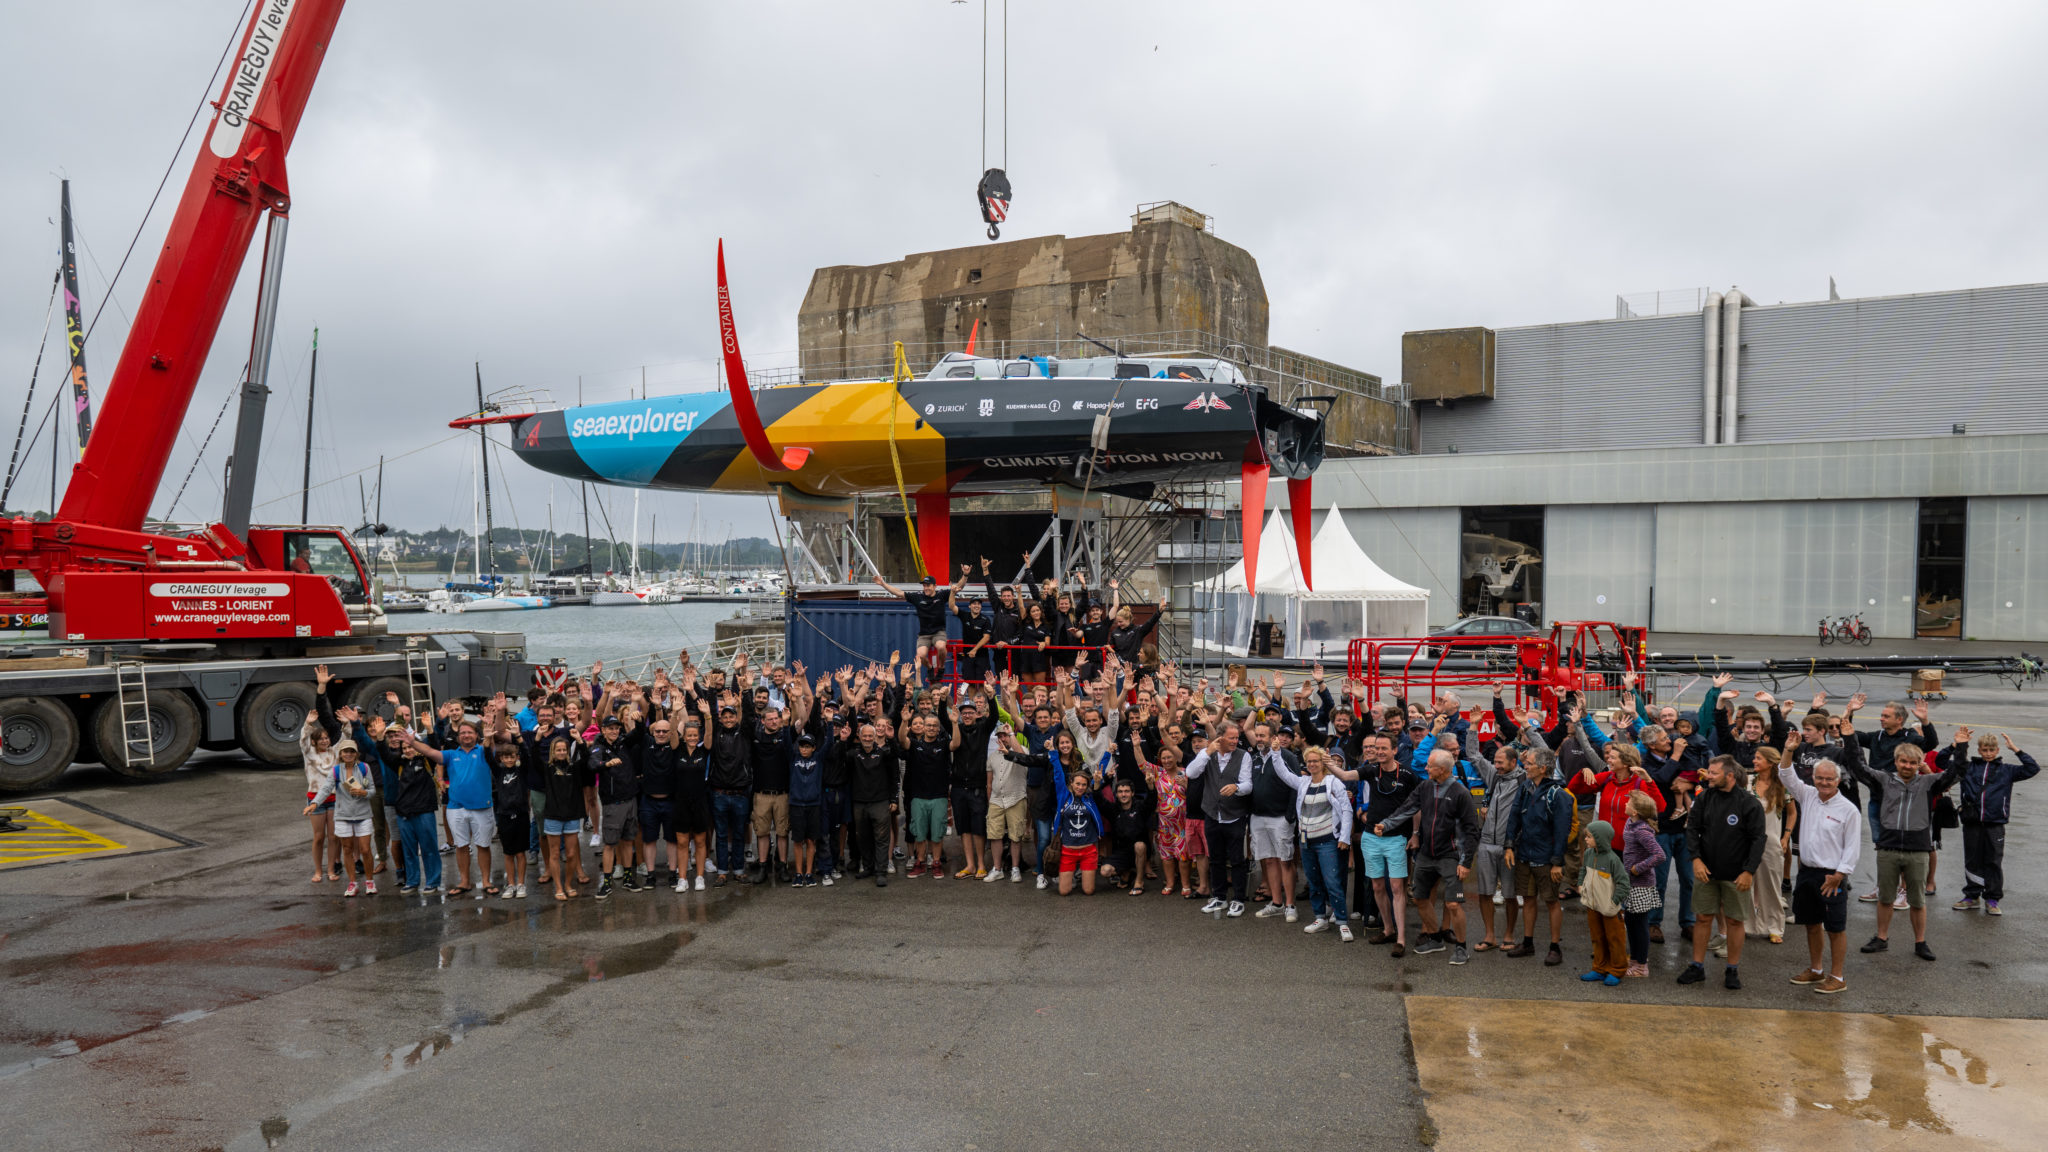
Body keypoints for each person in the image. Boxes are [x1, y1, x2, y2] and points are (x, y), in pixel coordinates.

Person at [1845, 732, 1963, 960]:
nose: (1907, 766)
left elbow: (1957, 773)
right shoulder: (1883, 780)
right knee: (1885, 898)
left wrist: (1962, 746)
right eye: (1903, 761)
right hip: (1888, 848)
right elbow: (1857, 767)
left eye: (1913, 762)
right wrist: (1850, 737)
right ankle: (1881, 938)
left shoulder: (1929, 783)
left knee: (1917, 900)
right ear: (1896, 761)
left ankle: (1920, 942)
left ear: (1920, 764)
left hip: (1918, 851)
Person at [1377, 749, 1481, 965]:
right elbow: (1407, 808)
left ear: (1441, 770)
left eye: (1429, 766)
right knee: (1420, 898)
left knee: (1453, 904)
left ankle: (1461, 948)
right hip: (1426, 853)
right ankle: (1435, 939)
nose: (1425, 769)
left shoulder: (1461, 793)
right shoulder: (1425, 786)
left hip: (1450, 856)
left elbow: (1472, 831)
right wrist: (1386, 824)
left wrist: (1466, 862)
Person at [1676, 754, 1765, 990]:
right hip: (1706, 872)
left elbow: (1758, 840)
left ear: (1730, 775)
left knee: (1735, 921)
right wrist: (1695, 859)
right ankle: (1697, 966)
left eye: (1714, 773)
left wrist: (1748, 872)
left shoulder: (1749, 803)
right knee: (1703, 918)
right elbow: (1692, 830)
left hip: (1736, 875)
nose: (1708, 776)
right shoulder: (1704, 798)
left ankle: (1732, 969)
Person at [1842, 695, 1939, 903]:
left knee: (1902, 845)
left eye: (1886, 716)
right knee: (1882, 845)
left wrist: (1924, 721)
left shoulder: (1910, 736)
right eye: (1882, 715)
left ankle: (1903, 891)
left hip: (1902, 801)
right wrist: (1850, 713)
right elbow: (1850, 735)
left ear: (1899, 720)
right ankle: (1884, 886)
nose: (1881, 719)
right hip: (1878, 799)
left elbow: (1931, 743)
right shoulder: (1877, 737)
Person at [1779, 752, 1859, 995]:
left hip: (1831, 877)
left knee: (1835, 927)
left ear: (1838, 780)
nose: (1824, 783)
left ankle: (1838, 976)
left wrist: (1840, 874)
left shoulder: (1849, 810)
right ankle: (1816, 970)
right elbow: (1786, 775)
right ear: (1814, 778)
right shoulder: (1808, 795)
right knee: (1811, 924)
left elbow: (1853, 847)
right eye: (1820, 778)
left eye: (1829, 779)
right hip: (1806, 873)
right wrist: (1788, 750)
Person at [1943, 729, 2038, 915]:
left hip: (1995, 822)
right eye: (1984, 750)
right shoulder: (1967, 768)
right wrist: (1955, 745)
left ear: (1997, 751)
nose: (1987, 753)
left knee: (1993, 860)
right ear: (1978, 750)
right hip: (1972, 821)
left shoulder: (2007, 770)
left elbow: (2032, 768)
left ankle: (1992, 899)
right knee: (1972, 859)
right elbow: (1940, 762)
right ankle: (1972, 896)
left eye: (1991, 750)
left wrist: (2016, 750)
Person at [1272, 745, 1356, 941]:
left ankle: (1342, 922)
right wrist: (1275, 753)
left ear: (1323, 763)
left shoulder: (1333, 782)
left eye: (1315, 761)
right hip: (1306, 842)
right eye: (1309, 761)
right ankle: (1320, 918)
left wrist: (1344, 837)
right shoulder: (1303, 782)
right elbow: (1283, 774)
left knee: (1333, 882)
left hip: (1328, 841)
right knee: (1314, 882)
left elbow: (1346, 810)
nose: (1312, 764)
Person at [409, 715, 495, 898]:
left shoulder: (484, 751)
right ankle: (464, 881)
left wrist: (490, 733)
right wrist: (413, 742)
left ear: (476, 735)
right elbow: (431, 753)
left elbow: (490, 744)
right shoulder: (451, 754)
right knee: (461, 846)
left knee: (483, 845)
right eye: (462, 733)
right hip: (456, 808)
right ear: (458, 737)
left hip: (482, 807)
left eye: (469, 732)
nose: (465, 735)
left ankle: (486, 881)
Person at [1504, 746, 1572, 966]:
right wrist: (1508, 845)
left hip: (1546, 858)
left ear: (1543, 768)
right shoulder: (1525, 788)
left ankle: (1555, 947)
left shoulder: (1558, 795)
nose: (1526, 766)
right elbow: (1514, 816)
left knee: (1552, 902)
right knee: (1528, 899)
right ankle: (1528, 942)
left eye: (1530, 764)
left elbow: (1562, 832)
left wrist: (1556, 863)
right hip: (1524, 854)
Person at [1358, 734, 1421, 956]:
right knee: (1377, 886)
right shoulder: (1370, 769)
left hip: (1397, 838)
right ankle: (1388, 930)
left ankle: (1401, 939)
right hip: (1371, 837)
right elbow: (1346, 774)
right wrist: (1327, 764)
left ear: (1395, 750)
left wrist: (1414, 834)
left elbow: (1416, 806)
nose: (1380, 751)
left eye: (1384, 748)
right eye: (1377, 748)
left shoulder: (1407, 774)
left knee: (1397, 887)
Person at [1184, 721, 1255, 918]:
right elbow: (1191, 773)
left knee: (1237, 860)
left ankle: (1239, 899)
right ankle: (1220, 897)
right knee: (1215, 859)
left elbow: (1248, 784)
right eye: (1231, 738)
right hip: (1212, 814)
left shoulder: (1244, 756)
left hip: (1234, 816)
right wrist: (1207, 753)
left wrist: (1237, 788)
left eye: (1236, 737)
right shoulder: (1207, 754)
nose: (1235, 741)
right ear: (1220, 738)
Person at [304, 738, 380, 896]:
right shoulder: (336, 771)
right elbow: (325, 789)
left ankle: (370, 881)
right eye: (346, 751)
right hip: (343, 815)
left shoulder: (364, 768)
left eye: (352, 751)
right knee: (347, 849)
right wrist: (314, 803)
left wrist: (364, 793)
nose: (349, 754)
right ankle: (353, 883)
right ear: (341, 754)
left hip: (363, 814)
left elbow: (372, 790)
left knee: (365, 849)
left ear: (356, 753)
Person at [1245, 722, 1302, 923]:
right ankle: (1276, 903)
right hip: (1258, 817)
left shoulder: (1287, 756)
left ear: (1273, 737)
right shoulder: (1253, 757)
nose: (1259, 739)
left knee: (1285, 860)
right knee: (1269, 860)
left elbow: (1297, 786)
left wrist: (1289, 816)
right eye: (1257, 735)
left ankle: (1290, 905)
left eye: (1263, 735)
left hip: (1281, 818)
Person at [589, 713, 641, 898]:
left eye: (616, 728)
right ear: (603, 729)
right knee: (610, 844)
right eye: (610, 728)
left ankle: (628, 878)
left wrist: (639, 719)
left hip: (630, 800)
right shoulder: (599, 746)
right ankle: (607, 882)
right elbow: (593, 764)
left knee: (628, 841)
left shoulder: (623, 742)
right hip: (613, 803)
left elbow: (640, 733)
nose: (614, 731)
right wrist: (606, 763)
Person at [1748, 747, 1795, 943]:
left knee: (1772, 886)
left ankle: (1774, 927)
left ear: (1770, 762)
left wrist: (1785, 837)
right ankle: (1747, 925)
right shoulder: (1747, 782)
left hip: (1772, 841)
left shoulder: (1781, 786)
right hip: (1747, 842)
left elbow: (1792, 813)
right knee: (1745, 885)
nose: (1754, 761)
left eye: (1758, 758)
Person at [535, 735, 591, 900]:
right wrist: (538, 739)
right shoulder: (548, 768)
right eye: (558, 749)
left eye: (563, 750)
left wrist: (580, 742)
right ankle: (558, 887)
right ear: (553, 751)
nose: (561, 752)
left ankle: (568, 884)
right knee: (554, 853)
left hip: (572, 815)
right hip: (553, 815)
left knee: (572, 853)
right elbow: (533, 757)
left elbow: (587, 759)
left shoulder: (574, 767)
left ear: (567, 751)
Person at [1577, 820, 1629, 986]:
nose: (1586, 839)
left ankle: (1617, 969)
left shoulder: (1613, 859)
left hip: (1609, 908)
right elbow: (1583, 870)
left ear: (1600, 839)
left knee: (1615, 938)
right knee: (1597, 937)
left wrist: (1614, 901)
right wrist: (1580, 885)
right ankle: (1599, 968)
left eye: (1590, 837)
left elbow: (1623, 883)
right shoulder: (1588, 854)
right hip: (1592, 905)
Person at [1619, 792, 1666, 978]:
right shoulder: (1629, 823)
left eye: (1629, 802)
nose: (1626, 802)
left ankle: (1642, 965)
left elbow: (1660, 855)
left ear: (1636, 811)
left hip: (1641, 884)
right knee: (1631, 921)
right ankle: (1634, 960)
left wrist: (1638, 868)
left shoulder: (1641, 831)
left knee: (1639, 924)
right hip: (1631, 883)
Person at [1051, 762, 1106, 895]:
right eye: (1077, 784)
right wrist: (1052, 752)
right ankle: (1072, 876)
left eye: (1084, 785)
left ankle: (1080, 874)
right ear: (1071, 783)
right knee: (1064, 891)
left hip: (1088, 850)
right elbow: (1058, 774)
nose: (1080, 787)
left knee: (1088, 891)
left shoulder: (1089, 798)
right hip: (1068, 851)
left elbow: (1099, 773)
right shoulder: (1064, 796)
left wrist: (1109, 752)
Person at [1149, 744, 1194, 898]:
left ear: (1176, 757)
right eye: (1164, 758)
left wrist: (1187, 786)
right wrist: (1135, 746)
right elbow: (1142, 763)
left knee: (1183, 856)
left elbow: (1196, 795)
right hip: (1165, 824)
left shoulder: (1186, 773)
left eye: (1170, 757)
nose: (1167, 760)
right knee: (1166, 855)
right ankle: (1170, 883)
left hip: (1182, 823)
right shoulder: (1158, 773)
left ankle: (1186, 885)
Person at [488, 742, 532, 899]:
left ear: (516, 757)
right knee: (508, 853)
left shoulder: (522, 771)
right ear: (501, 758)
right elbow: (489, 758)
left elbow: (527, 756)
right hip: (504, 815)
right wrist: (487, 741)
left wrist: (520, 740)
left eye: (511, 757)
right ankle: (511, 884)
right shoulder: (498, 772)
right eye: (505, 757)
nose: (508, 760)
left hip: (521, 815)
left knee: (520, 853)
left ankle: (521, 883)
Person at [788, 732, 827, 887]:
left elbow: (829, 742)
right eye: (801, 746)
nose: (804, 749)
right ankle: (798, 874)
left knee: (811, 840)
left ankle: (809, 873)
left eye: (807, 747)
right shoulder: (794, 758)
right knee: (798, 840)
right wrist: (786, 727)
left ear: (813, 748)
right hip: (796, 805)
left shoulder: (818, 758)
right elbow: (786, 744)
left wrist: (830, 723)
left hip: (813, 805)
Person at [1102, 780, 1155, 894]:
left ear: (1132, 793)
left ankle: (1139, 881)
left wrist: (1150, 786)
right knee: (1105, 871)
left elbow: (1152, 801)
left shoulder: (1140, 807)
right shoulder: (1114, 809)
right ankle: (1127, 873)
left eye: (1126, 791)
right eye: (1120, 792)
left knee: (1139, 845)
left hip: (1141, 851)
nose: (1124, 794)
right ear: (1116, 794)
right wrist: (1103, 780)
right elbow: (1098, 799)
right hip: (1122, 852)